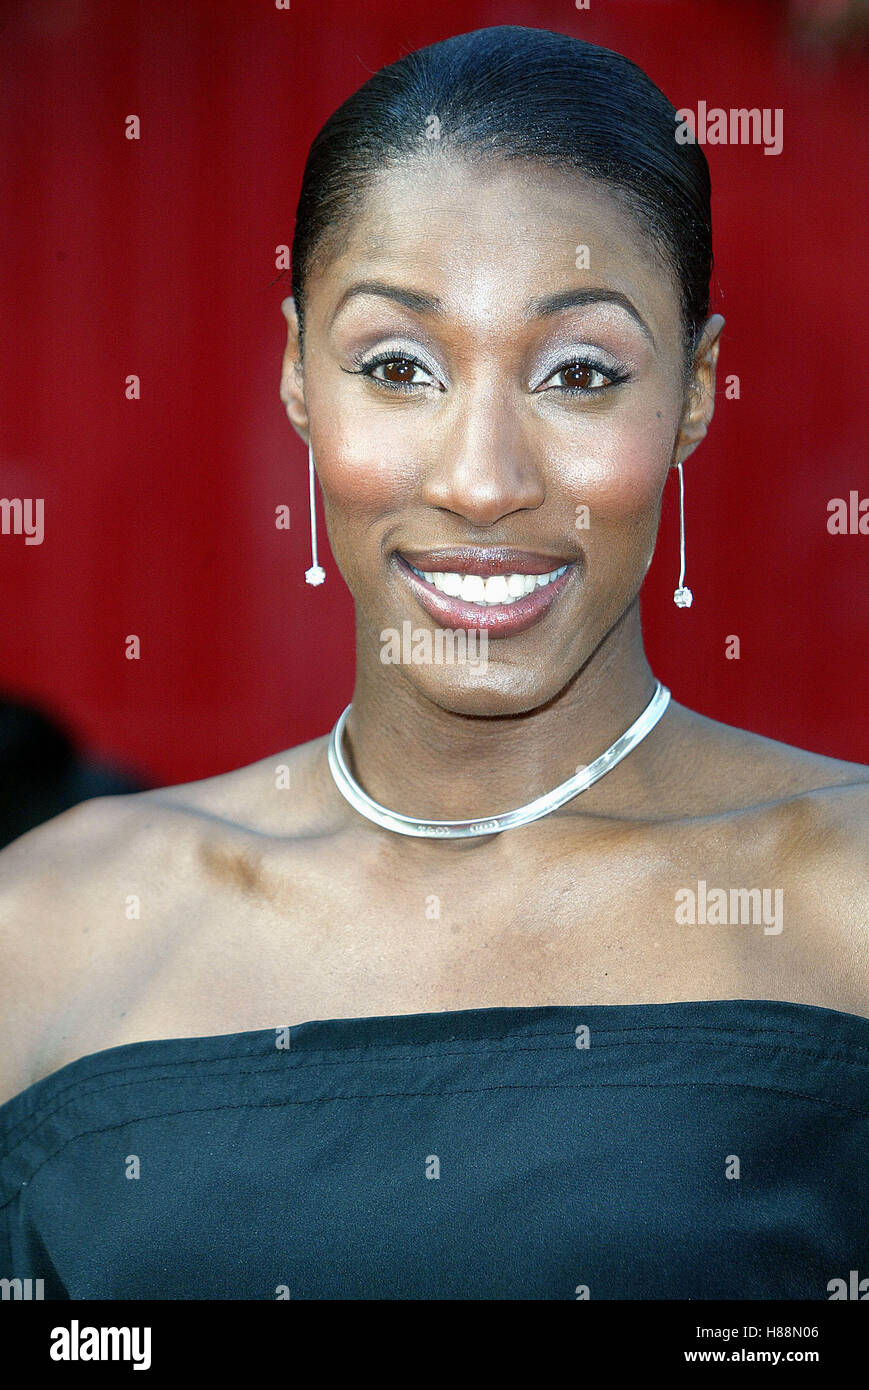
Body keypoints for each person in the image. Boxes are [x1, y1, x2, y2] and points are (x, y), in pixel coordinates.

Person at [1, 26, 866, 1301]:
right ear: (300, 375)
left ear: (694, 390)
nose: (479, 480)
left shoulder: (844, 902)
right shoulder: (48, 928)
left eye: (579, 373)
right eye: (397, 367)